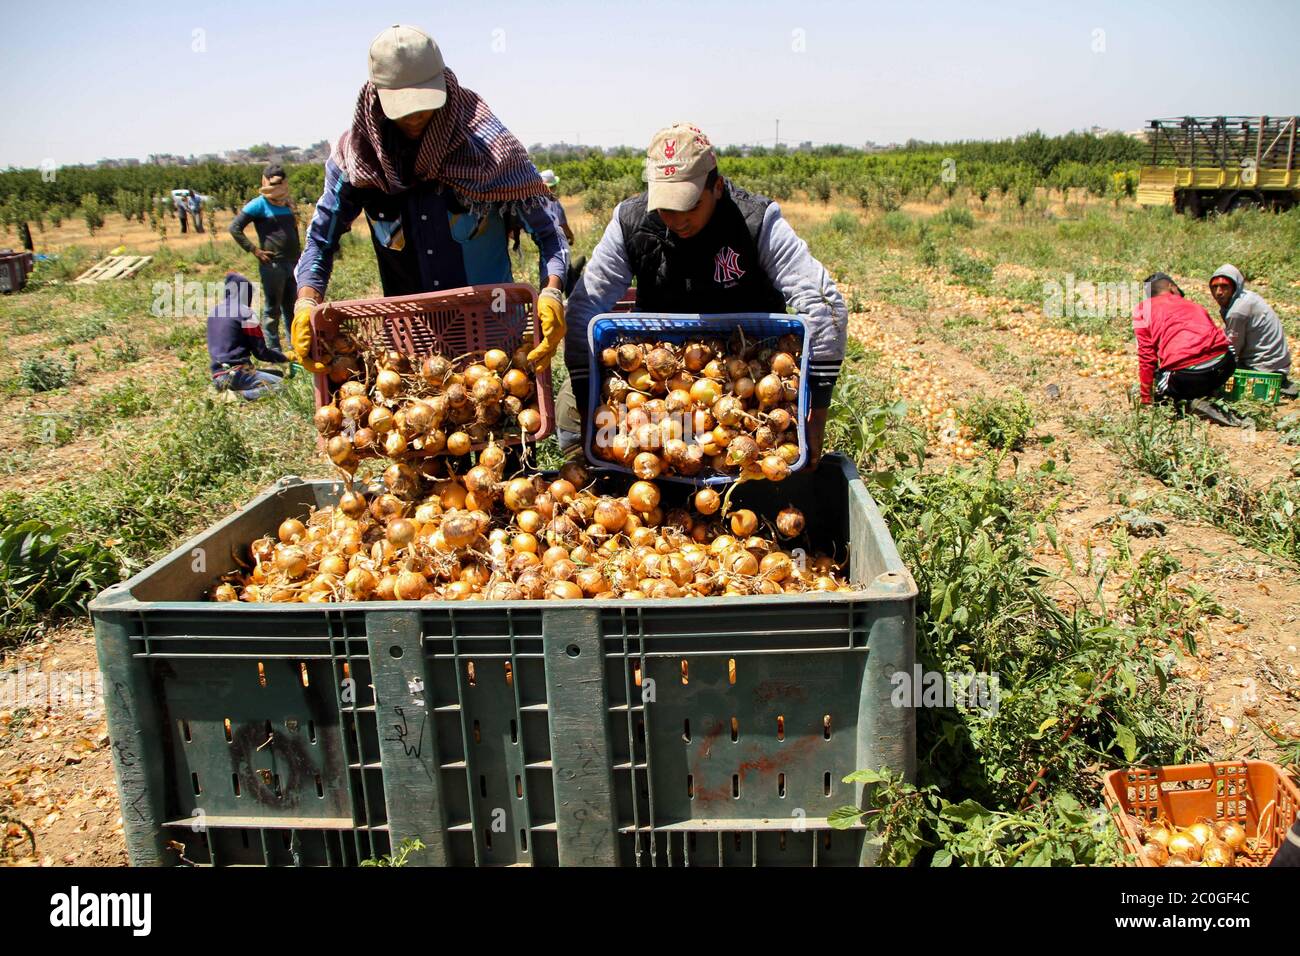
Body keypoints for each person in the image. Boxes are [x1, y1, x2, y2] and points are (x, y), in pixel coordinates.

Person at [559, 122, 847, 465]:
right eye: (666, 207)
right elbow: (584, 308)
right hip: (657, 377)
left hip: (749, 377)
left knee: (753, 452)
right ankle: (607, 482)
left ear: (718, 187)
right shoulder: (630, 221)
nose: (677, 220)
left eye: (689, 205)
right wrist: (587, 397)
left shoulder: (756, 221)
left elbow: (824, 306)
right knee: (570, 411)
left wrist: (817, 415)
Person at [291, 25, 568, 373]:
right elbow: (320, 241)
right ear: (375, 96)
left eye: (425, 104)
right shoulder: (358, 160)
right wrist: (305, 302)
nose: (416, 116)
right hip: (411, 345)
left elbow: (550, 234)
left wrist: (552, 291)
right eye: (402, 107)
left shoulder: (489, 150)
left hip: (496, 338)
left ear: (446, 86)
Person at [1133, 272, 1236, 416]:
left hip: (1187, 376)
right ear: (1172, 287)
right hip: (1225, 365)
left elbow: (1147, 356)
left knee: (1161, 392)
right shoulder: (1194, 305)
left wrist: (1146, 399)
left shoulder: (1142, 310)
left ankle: (1189, 404)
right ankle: (1208, 392)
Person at [229, 163, 301, 353]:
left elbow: (294, 230)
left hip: (292, 263)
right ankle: (273, 349)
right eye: (273, 181)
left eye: (280, 180)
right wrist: (255, 250)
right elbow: (235, 228)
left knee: (292, 307)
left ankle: (295, 347)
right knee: (272, 309)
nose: (277, 185)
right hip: (273, 265)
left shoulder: (287, 202)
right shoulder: (259, 204)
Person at [1209, 264, 1296, 398]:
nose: (1219, 292)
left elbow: (1233, 349)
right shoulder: (1247, 297)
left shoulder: (1237, 311)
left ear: (1234, 287)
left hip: (1264, 368)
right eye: (1214, 287)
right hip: (1278, 363)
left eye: (1224, 287)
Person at [207, 272, 291, 401]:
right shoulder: (245, 313)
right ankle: (239, 396)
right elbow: (261, 353)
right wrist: (285, 357)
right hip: (238, 374)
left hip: (218, 377)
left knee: (278, 374)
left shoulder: (214, 313)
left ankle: (227, 391)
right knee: (283, 385)